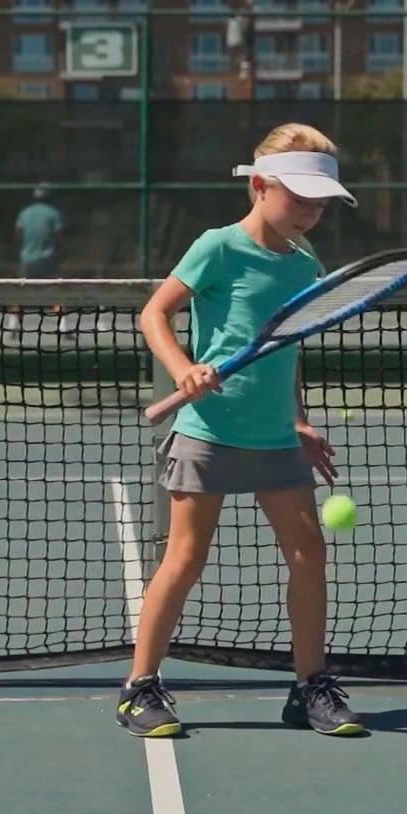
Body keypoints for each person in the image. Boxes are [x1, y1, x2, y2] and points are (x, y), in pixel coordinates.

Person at [117, 122, 363, 739]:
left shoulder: (307, 263)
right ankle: (139, 687)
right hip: (208, 430)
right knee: (186, 556)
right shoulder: (217, 247)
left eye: (319, 203)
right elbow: (155, 311)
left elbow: (289, 348)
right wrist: (183, 369)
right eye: (299, 198)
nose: (310, 213)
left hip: (275, 436)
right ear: (259, 186)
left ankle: (310, 687)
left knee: (309, 553)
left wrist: (299, 419)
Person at [8, 185, 67, 330]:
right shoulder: (53, 213)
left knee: (20, 294)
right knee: (57, 293)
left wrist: (23, 248)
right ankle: (63, 327)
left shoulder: (24, 213)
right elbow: (59, 237)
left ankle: (12, 326)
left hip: (27, 260)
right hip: (48, 260)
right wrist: (60, 250)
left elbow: (18, 234)